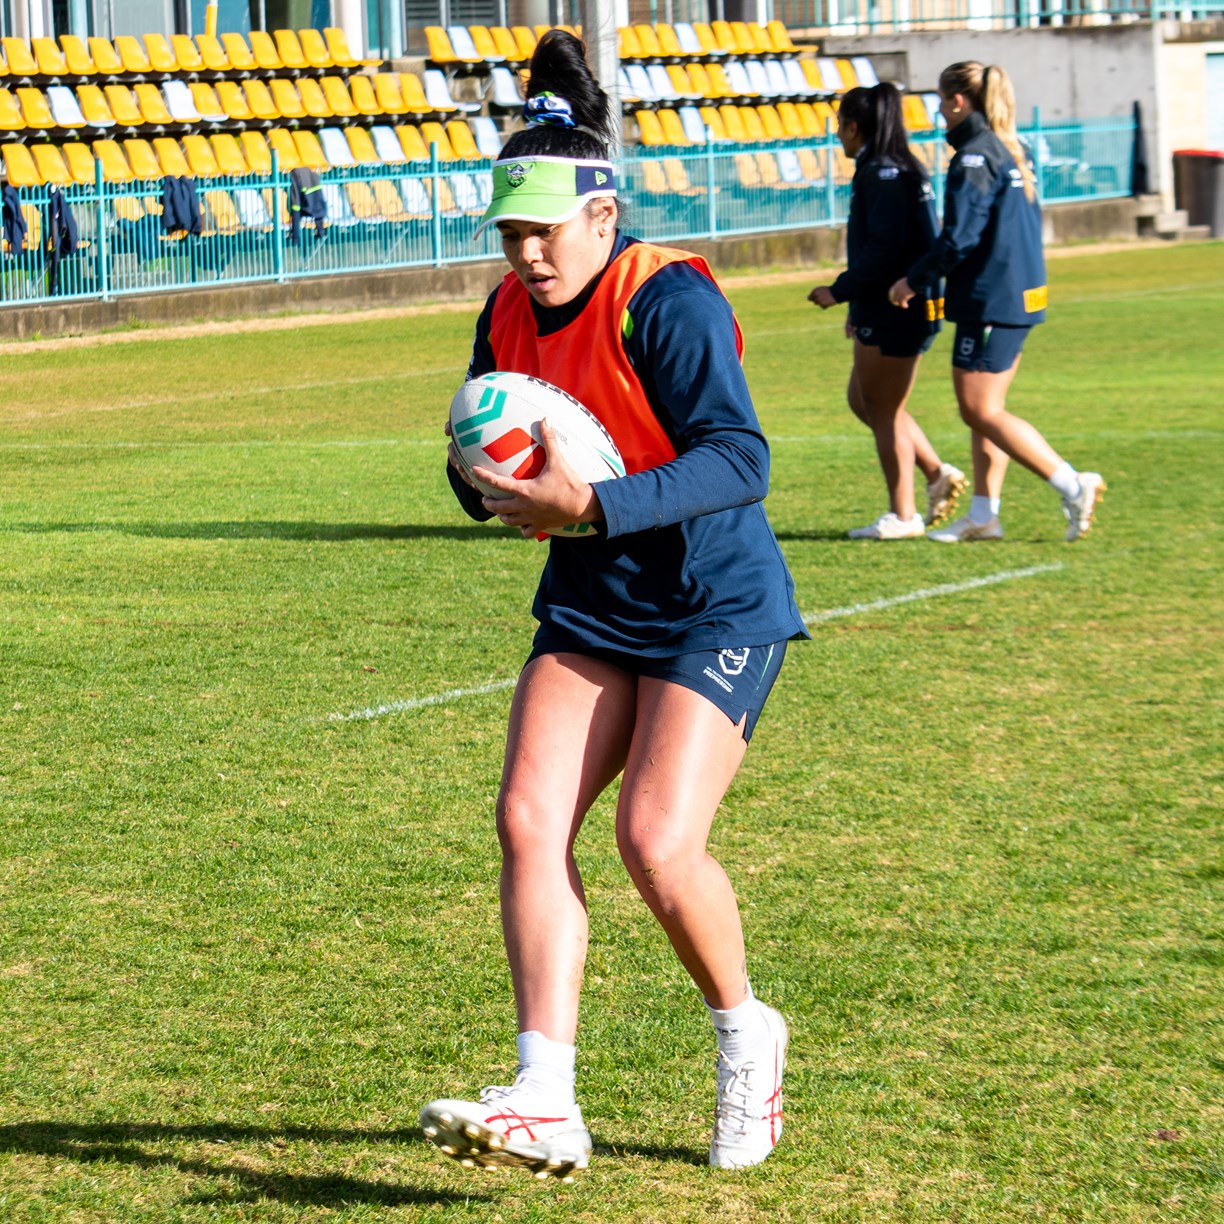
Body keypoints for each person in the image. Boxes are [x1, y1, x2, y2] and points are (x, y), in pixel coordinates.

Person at [420, 30, 807, 1181]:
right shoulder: (504, 307)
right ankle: (545, 1095)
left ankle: (747, 1031)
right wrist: (483, 488)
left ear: (602, 214)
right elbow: (472, 437)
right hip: (591, 600)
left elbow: (741, 460)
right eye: (509, 233)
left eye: (545, 230)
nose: (527, 253)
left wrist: (591, 502)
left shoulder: (667, 297)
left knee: (654, 841)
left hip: (711, 604)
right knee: (530, 824)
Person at [889, 62, 1105, 542]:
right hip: (1019, 293)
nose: (940, 112)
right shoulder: (1011, 145)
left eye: (943, 102)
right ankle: (985, 515)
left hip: (991, 298)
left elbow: (960, 237)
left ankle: (1072, 484)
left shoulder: (974, 156)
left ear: (959, 101)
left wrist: (914, 279)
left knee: (979, 410)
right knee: (989, 409)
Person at [808, 83, 965, 540]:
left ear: (855, 126)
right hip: (889, 303)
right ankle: (936, 474)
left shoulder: (881, 173)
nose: (838, 136)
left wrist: (839, 291)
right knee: (866, 401)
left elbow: (883, 249)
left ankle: (904, 514)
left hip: (898, 306)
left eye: (840, 126)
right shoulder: (897, 167)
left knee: (883, 409)